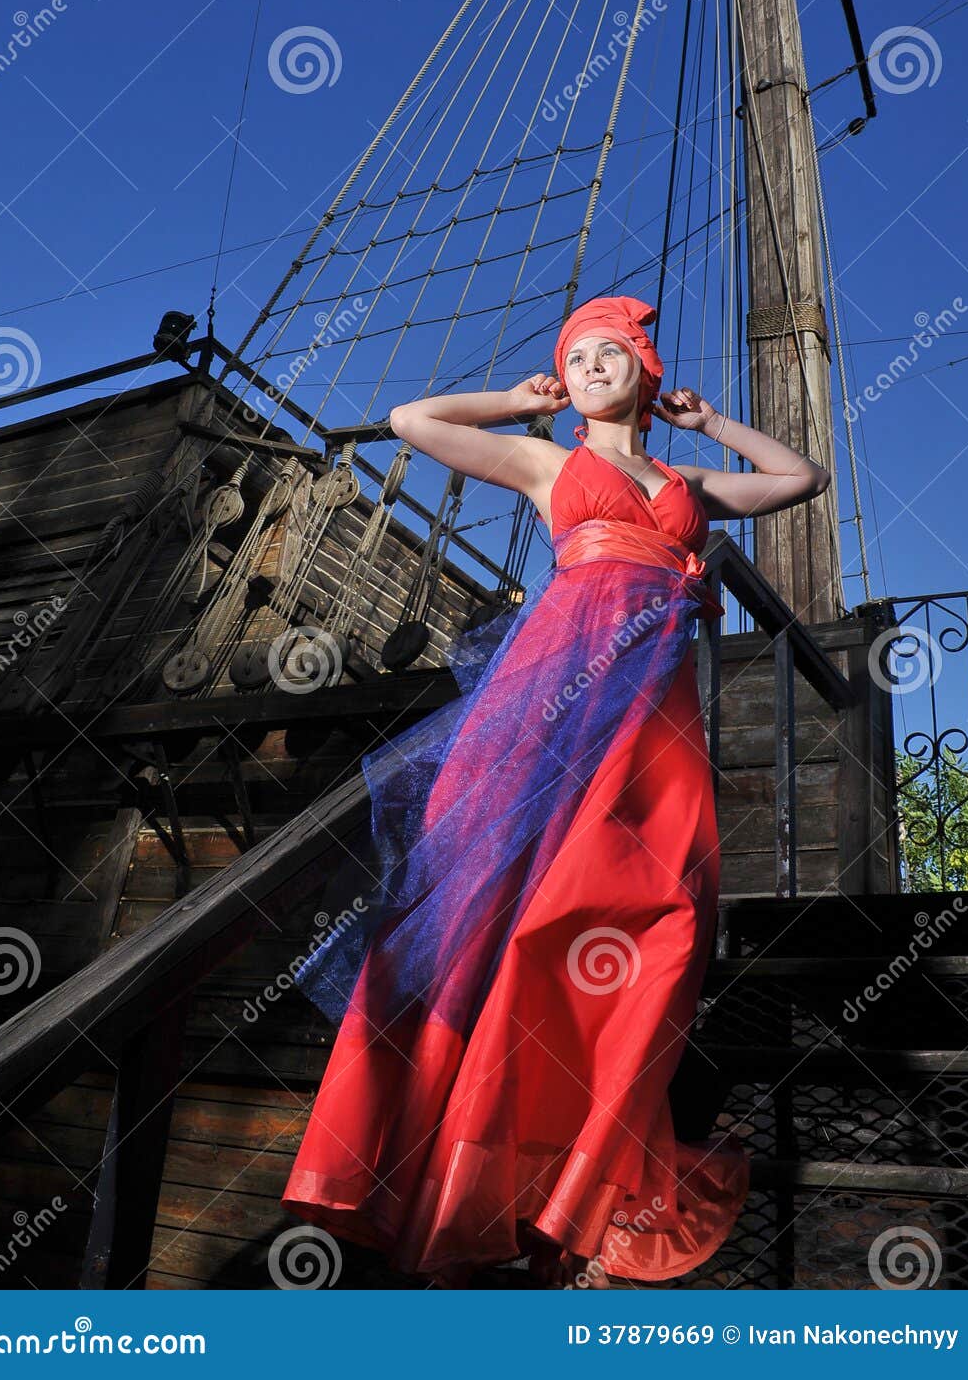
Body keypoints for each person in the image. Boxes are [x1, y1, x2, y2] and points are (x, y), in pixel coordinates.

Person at [279, 294, 830, 1289]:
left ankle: (585, 1143)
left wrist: (711, 426)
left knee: (660, 897)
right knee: (511, 888)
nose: (588, 366)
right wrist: (511, 398)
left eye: (608, 352)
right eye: (575, 358)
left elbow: (800, 476)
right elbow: (415, 423)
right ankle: (471, 1150)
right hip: (562, 681)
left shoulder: (685, 480)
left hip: (652, 703)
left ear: (646, 372)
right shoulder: (548, 462)